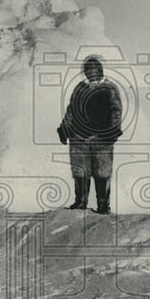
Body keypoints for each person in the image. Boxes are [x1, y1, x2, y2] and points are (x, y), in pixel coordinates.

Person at [57, 54, 122, 214]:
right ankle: (80, 202)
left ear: (100, 70)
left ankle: (103, 205)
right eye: (88, 70)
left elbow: (116, 111)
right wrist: (64, 128)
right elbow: (71, 109)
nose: (91, 72)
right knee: (80, 171)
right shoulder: (80, 88)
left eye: (94, 69)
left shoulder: (110, 88)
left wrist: (112, 132)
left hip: (101, 138)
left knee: (102, 172)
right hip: (79, 137)